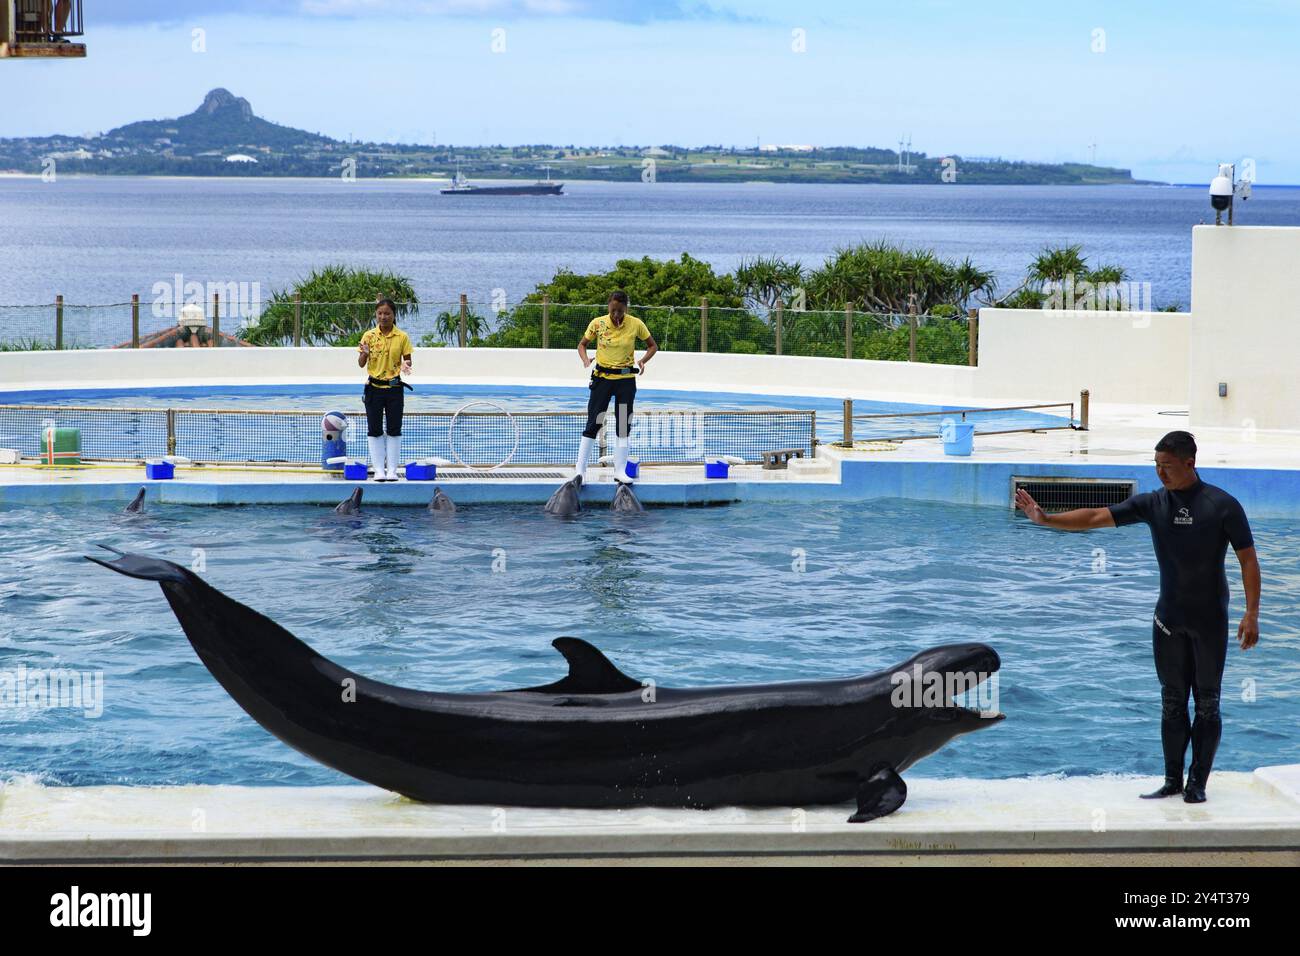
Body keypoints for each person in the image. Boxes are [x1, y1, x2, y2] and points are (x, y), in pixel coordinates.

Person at [1015, 431, 1260, 804]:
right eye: (1156, 466)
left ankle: (1197, 784)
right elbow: (1097, 516)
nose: (1160, 473)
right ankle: (1172, 780)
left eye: (1167, 467)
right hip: (1167, 618)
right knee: (1171, 701)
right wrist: (1046, 519)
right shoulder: (1152, 504)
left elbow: (1248, 559)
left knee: (1207, 702)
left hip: (1210, 619)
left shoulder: (1222, 505)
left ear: (1190, 463)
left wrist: (1251, 613)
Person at [574, 291, 658, 483]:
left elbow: (652, 345)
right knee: (594, 422)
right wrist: (586, 359)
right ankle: (580, 470)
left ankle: (619, 471)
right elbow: (582, 344)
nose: (616, 315)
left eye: (620, 311)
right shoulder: (598, 323)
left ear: (626, 308)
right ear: (608, 307)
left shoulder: (636, 324)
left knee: (623, 424)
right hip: (602, 379)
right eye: (613, 310)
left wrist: (643, 360)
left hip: (625, 381)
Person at [357, 298, 412, 481]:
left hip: (395, 388)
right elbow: (361, 364)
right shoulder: (369, 336)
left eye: (387, 313)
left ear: (394, 315)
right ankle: (379, 470)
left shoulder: (402, 337)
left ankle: (392, 471)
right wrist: (364, 352)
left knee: (394, 428)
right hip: (374, 388)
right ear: (376, 315)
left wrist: (406, 366)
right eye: (380, 313)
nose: (383, 317)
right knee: (374, 429)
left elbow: (408, 359)